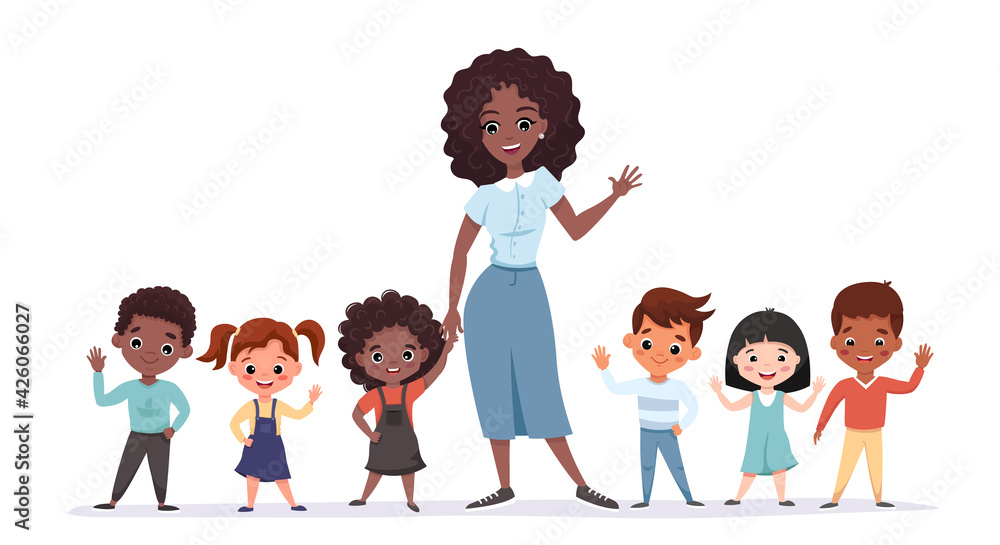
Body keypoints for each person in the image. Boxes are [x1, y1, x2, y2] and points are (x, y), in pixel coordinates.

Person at [441, 47, 642, 512]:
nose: (508, 136)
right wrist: (452, 306)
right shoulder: (484, 196)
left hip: (528, 291)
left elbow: (574, 229)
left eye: (523, 122)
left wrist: (612, 198)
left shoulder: (547, 183)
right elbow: (459, 251)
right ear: (477, 134)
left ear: (545, 125)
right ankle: (504, 486)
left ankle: (579, 482)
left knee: (539, 385)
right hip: (487, 296)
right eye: (492, 126)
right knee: (492, 387)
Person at [814, 281, 933, 510]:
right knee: (846, 465)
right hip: (852, 432)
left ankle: (878, 499)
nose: (866, 350)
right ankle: (835, 499)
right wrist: (820, 426)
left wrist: (919, 368)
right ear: (835, 342)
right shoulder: (845, 385)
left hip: (875, 432)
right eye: (851, 341)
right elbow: (830, 405)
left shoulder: (883, 383)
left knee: (875, 465)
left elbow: (909, 387)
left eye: (879, 341)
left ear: (896, 344)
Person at [593, 287, 713, 510]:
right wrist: (604, 369)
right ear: (631, 341)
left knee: (676, 465)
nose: (659, 354)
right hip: (646, 431)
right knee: (647, 466)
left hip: (668, 431)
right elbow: (615, 389)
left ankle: (689, 497)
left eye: (675, 348)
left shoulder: (678, 387)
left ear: (692, 353)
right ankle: (645, 500)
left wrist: (681, 426)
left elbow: (693, 408)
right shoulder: (641, 384)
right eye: (647, 343)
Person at [338, 290, 457, 513]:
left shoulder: (410, 390)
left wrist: (446, 350)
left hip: (405, 440)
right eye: (378, 357)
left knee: (408, 471)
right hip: (381, 440)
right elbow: (356, 414)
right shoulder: (376, 395)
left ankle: (410, 501)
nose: (393, 362)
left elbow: (435, 373)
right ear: (361, 359)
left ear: (422, 355)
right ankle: (363, 498)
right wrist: (370, 434)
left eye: (407, 355)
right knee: (375, 470)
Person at [197, 318, 324, 513]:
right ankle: (249, 505)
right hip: (255, 444)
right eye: (251, 369)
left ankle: (292, 503)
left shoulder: (278, 406)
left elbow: (298, 415)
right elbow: (234, 423)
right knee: (252, 477)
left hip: (274, 444)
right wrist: (243, 440)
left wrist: (311, 402)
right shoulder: (251, 407)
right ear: (234, 368)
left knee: (281, 476)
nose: (264, 376)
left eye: (277, 369)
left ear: (295, 369)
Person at [89, 286, 196, 512]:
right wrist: (98, 373)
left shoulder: (170, 388)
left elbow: (185, 410)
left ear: (183, 351)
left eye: (166, 348)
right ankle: (113, 502)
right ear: (120, 340)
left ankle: (161, 503)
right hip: (137, 435)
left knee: (160, 469)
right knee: (126, 468)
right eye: (137, 343)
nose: (150, 354)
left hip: (161, 436)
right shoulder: (130, 387)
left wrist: (173, 429)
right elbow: (103, 400)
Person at [709, 309, 825, 507]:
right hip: (756, 440)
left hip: (777, 440)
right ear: (736, 360)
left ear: (797, 360)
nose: (767, 364)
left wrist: (815, 393)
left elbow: (803, 408)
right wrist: (719, 392)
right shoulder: (753, 396)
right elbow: (731, 407)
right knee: (750, 470)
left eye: (781, 358)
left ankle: (782, 499)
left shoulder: (781, 396)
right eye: (753, 358)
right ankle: (737, 498)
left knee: (779, 470)